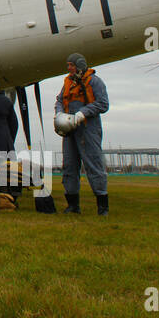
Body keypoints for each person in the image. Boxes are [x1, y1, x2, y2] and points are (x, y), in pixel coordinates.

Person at [54, 52, 110, 215]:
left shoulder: (94, 81)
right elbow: (59, 100)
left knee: (93, 164)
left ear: (79, 65)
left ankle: (102, 206)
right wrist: (59, 114)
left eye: (71, 65)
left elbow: (103, 104)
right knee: (69, 165)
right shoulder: (68, 83)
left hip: (88, 128)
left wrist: (83, 113)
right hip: (69, 129)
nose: (68, 68)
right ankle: (72, 205)